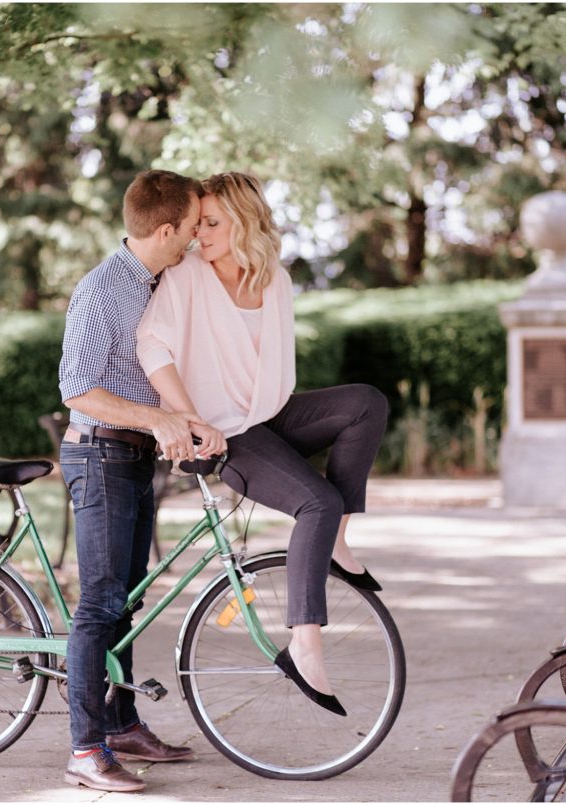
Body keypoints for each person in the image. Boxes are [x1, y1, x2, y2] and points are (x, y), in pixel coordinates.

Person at [136, 170, 389, 717]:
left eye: (211, 223)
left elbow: (267, 379)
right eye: (198, 224)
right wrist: (189, 417)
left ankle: (337, 540)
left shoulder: (275, 280)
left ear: (244, 221)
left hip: (270, 415)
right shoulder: (187, 276)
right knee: (317, 501)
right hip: (226, 432)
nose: (199, 234)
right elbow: (151, 345)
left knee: (366, 402)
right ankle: (304, 644)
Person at [58, 169, 204, 793]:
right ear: (165, 230)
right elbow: (77, 390)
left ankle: (120, 725)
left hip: (134, 457)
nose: (196, 238)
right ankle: (85, 750)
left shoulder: (157, 282)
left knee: (127, 601)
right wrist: (159, 418)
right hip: (99, 456)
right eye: (192, 227)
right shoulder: (103, 289)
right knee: (99, 603)